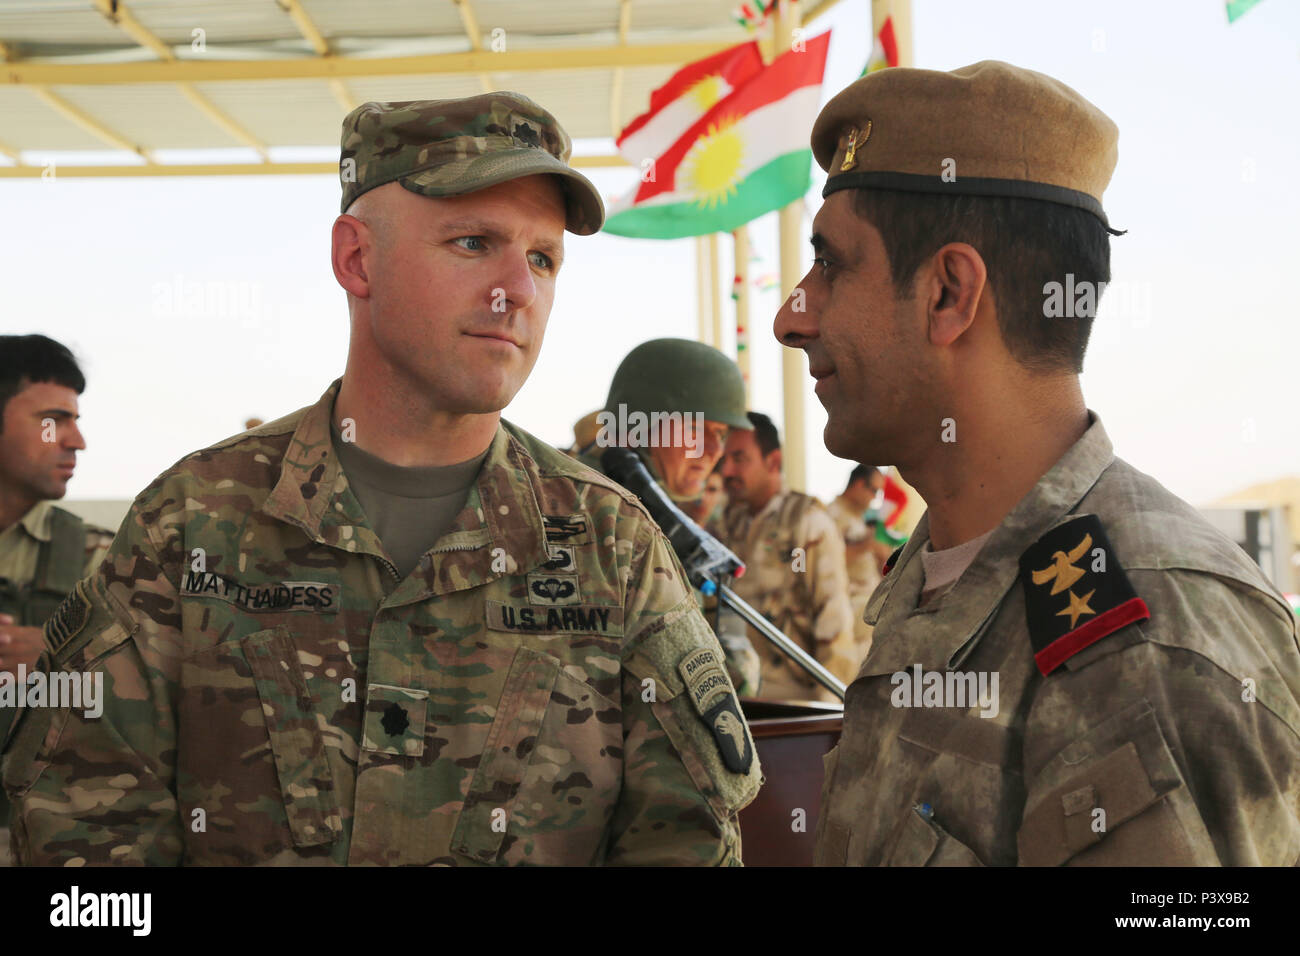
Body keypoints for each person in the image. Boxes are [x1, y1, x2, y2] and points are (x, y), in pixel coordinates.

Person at [6, 93, 761, 866]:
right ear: (356, 259)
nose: (521, 291)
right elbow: (81, 836)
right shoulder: (192, 523)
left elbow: (686, 844)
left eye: (542, 258)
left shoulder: (615, 546)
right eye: (474, 242)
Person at [772, 60, 1300, 865]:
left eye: (831, 265)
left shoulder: (1152, 644)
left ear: (950, 293)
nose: (792, 316)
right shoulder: (940, 569)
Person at [579, 337, 761, 696]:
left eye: (720, 435)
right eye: (695, 431)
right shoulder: (585, 508)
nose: (712, 452)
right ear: (641, 425)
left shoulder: (666, 521)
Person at [0, 334, 114, 864]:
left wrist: (53, 666)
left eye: (75, 419)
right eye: (53, 420)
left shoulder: (103, 564)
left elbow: (167, 705)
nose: (77, 441)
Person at [718, 412, 858, 702]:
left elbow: (833, 623)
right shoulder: (725, 524)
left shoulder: (807, 524)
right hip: (734, 697)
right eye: (724, 459)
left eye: (740, 458)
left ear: (773, 462)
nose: (727, 470)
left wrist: (828, 718)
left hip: (791, 702)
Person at [825, 464, 888, 664]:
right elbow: (827, 559)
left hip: (866, 614)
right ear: (860, 484)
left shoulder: (856, 516)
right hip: (850, 613)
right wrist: (868, 545)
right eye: (874, 491)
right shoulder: (831, 515)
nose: (875, 498)